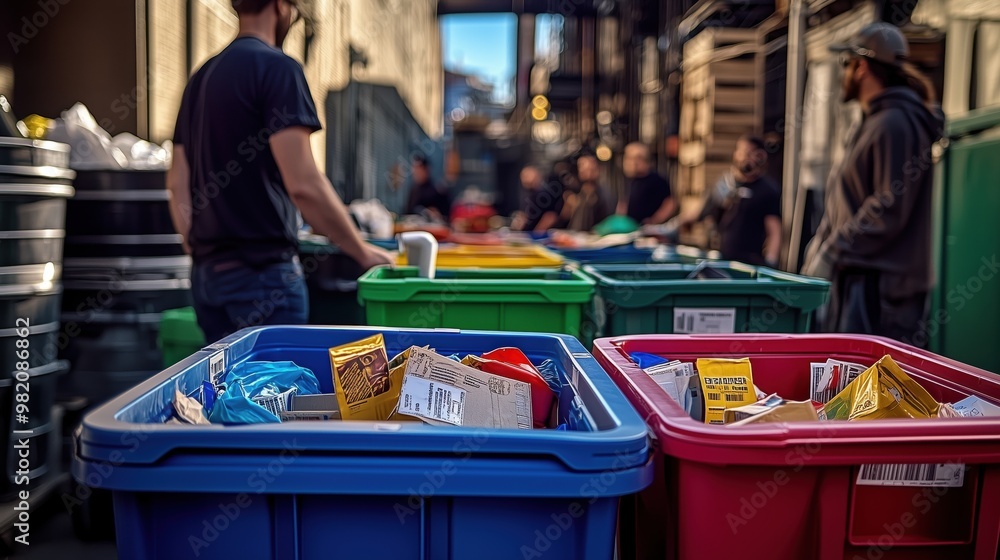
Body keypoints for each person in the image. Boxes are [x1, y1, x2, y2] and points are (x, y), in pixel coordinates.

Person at [166, 0, 393, 343]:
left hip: (207, 281)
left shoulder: (200, 78)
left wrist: (198, 250)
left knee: (226, 392)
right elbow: (304, 184)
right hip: (264, 277)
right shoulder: (278, 69)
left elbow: (176, 182)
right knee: (276, 391)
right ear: (281, 7)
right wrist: (361, 251)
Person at [802, 22, 943, 344]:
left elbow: (887, 207)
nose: (843, 73)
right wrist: (822, 242)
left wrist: (833, 251)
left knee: (877, 390)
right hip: (860, 281)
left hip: (881, 293)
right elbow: (850, 199)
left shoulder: (895, 123)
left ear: (861, 66)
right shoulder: (875, 122)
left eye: (845, 64)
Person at [672, 135, 781, 266]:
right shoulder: (724, 185)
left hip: (750, 263)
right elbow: (700, 213)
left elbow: (774, 230)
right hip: (723, 259)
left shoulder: (766, 189)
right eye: (742, 152)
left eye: (750, 153)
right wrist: (671, 227)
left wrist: (771, 260)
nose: (745, 157)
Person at [620, 142, 676, 225]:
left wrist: (655, 220)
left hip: (649, 230)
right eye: (627, 158)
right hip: (633, 228)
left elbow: (670, 203)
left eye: (635, 158)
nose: (630, 163)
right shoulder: (631, 181)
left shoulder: (656, 180)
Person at [564, 154, 613, 232]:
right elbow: (566, 217)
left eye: (590, 169)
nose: (584, 171)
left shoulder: (602, 193)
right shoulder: (577, 192)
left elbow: (607, 219)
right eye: (581, 167)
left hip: (595, 236)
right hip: (575, 236)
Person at [512, 164, 564, 233]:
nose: (524, 179)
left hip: (540, 238)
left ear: (537, 176)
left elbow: (551, 216)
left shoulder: (545, 194)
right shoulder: (528, 195)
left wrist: (536, 234)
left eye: (527, 176)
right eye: (522, 176)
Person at [405, 153, 450, 220]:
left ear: (427, 169)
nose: (416, 172)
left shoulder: (438, 191)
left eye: (419, 169)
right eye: (414, 169)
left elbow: (445, 216)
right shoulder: (413, 190)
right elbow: (407, 212)